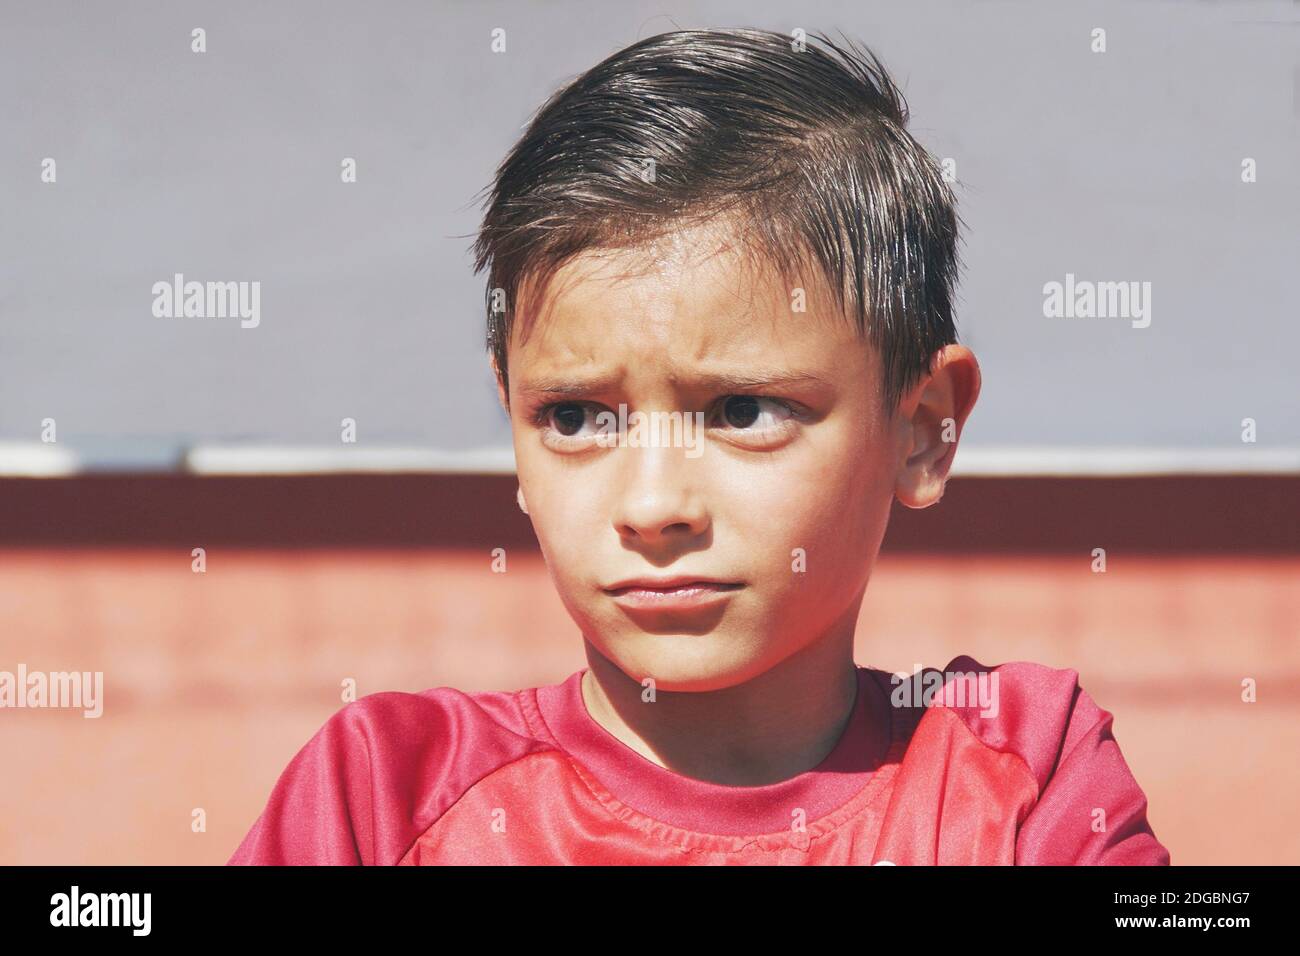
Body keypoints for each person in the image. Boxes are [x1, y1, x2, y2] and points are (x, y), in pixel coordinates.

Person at [228, 28, 1169, 865]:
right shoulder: (386, 799)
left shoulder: (1020, 777)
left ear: (922, 429)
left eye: (743, 411)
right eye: (574, 418)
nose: (652, 508)